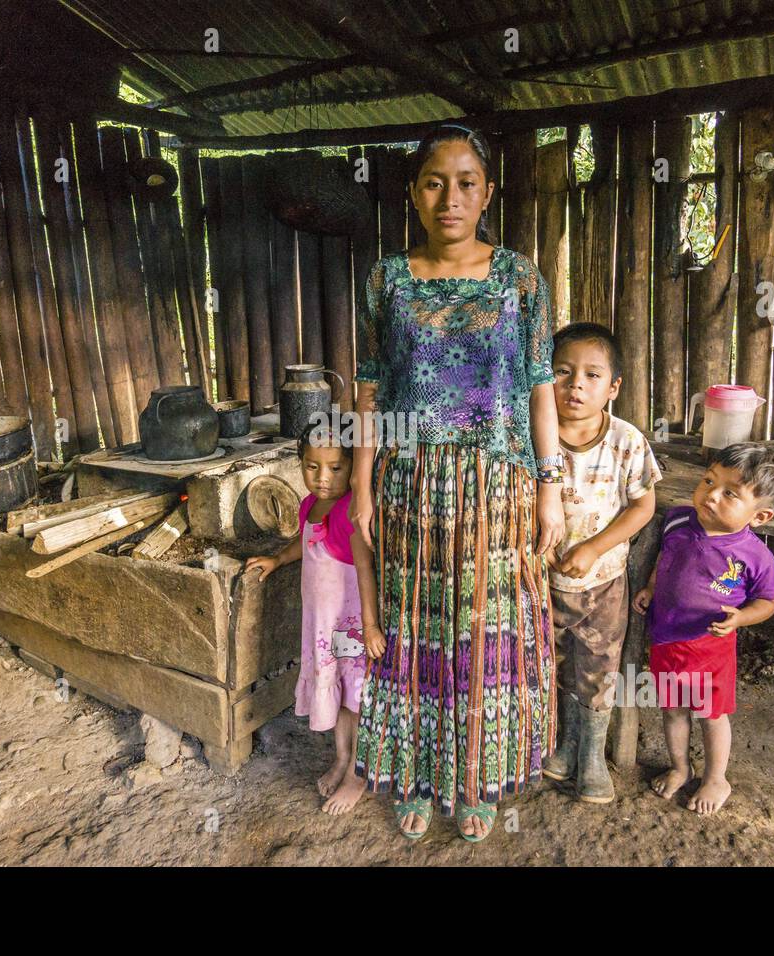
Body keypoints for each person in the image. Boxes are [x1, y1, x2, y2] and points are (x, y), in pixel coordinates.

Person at [349, 123, 566, 842]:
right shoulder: (387, 279)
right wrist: (360, 481)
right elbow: (371, 388)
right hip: (411, 481)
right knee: (414, 632)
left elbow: (539, 389)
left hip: (496, 484)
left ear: (487, 193)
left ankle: (473, 782)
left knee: (482, 635)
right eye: (435, 182)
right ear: (413, 194)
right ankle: (414, 776)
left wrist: (550, 486)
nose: (451, 197)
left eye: (466, 182)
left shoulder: (519, 278)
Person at [631, 443, 774, 815]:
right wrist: (651, 588)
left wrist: (740, 618)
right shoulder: (676, 520)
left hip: (709, 648)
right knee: (672, 709)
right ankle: (679, 767)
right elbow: (664, 558)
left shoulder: (755, 556)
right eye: (709, 481)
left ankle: (715, 778)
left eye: (730, 494)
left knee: (710, 715)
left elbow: (767, 603)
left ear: (760, 516)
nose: (711, 494)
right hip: (665, 640)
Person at [542, 322, 661, 803]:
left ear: (612, 388)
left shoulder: (626, 441)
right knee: (551, 665)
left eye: (592, 376)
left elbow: (643, 506)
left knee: (596, 669)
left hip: (603, 584)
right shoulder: (535, 434)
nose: (576, 385)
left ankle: (591, 756)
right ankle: (564, 746)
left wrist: (593, 547)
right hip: (538, 581)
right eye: (563, 372)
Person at [244, 424, 382, 815]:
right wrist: (279, 559)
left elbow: (365, 570)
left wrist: (370, 626)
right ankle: (341, 758)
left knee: (354, 699)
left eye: (336, 468)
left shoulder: (349, 512)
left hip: (350, 626)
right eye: (312, 467)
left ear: (354, 467)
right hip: (321, 627)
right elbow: (305, 542)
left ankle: (359, 772)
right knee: (338, 695)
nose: (323, 478)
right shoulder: (309, 505)